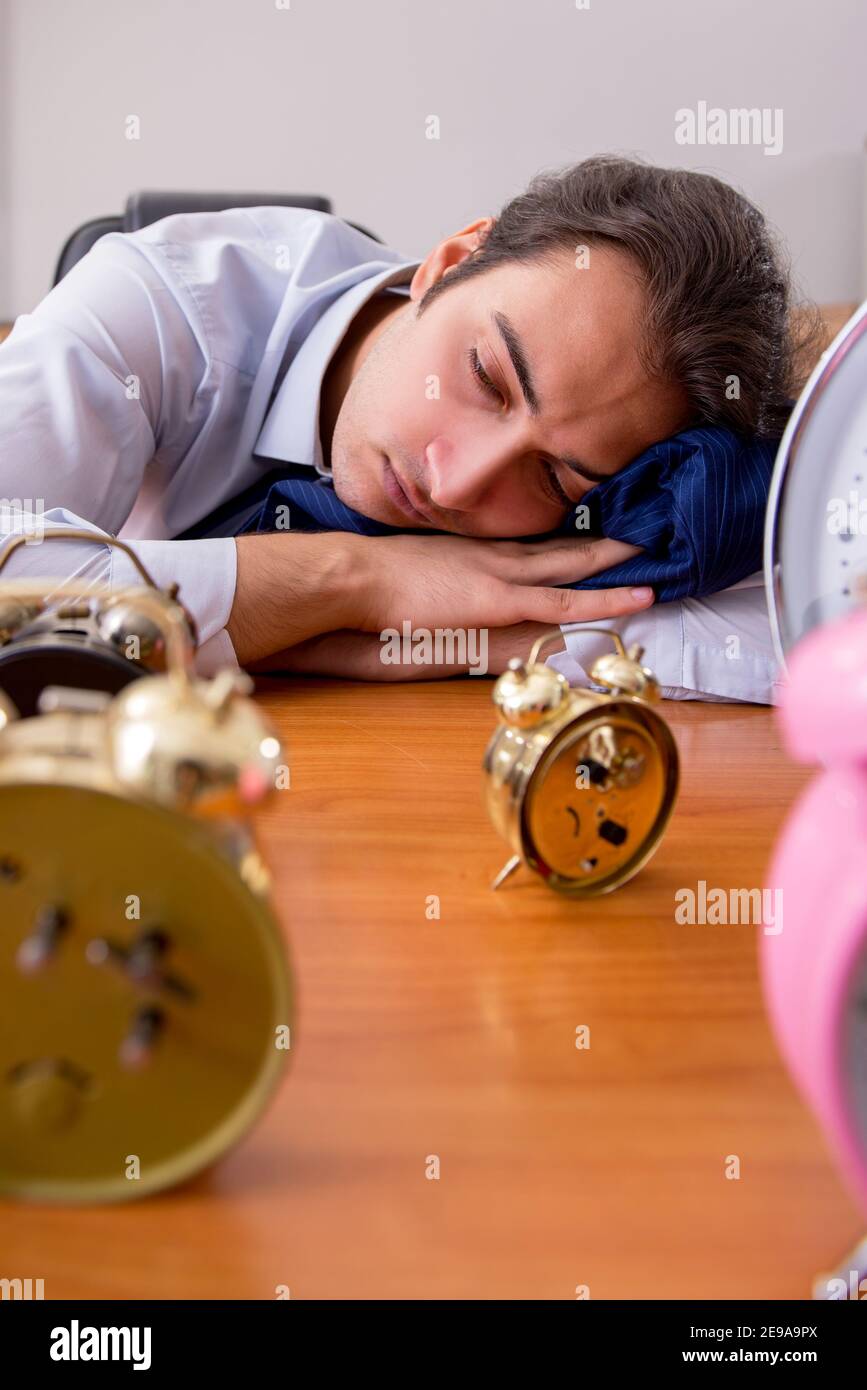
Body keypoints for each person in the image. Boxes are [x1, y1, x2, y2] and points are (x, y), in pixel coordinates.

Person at [0, 156, 814, 698]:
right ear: (449, 264)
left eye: (553, 476)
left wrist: (493, 641)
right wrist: (353, 582)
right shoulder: (157, 303)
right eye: (487, 378)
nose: (457, 482)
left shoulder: (606, 477)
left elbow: (793, 638)